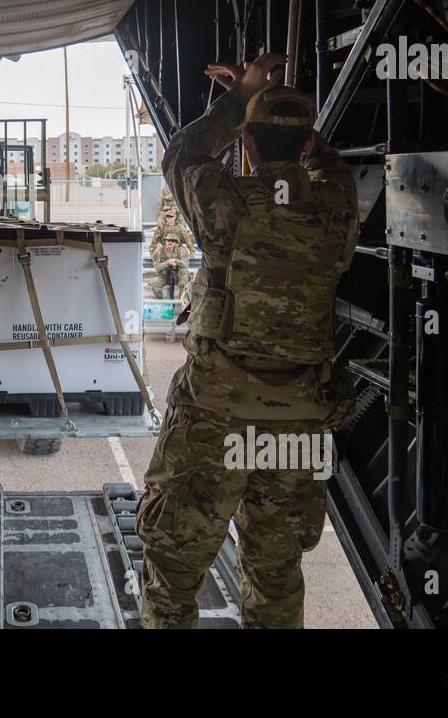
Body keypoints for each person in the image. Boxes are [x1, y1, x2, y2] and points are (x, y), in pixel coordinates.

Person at [137, 54, 359, 629]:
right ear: (308, 143)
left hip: (215, 413)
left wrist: (241, 100)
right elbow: (326, 165)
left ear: (249, 147)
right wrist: (291, 127)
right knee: (276, 573)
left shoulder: (224, 203)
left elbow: (182, 153)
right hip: (298, 421)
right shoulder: (334, 207)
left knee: (173, 579)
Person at [150, 233, 193, 299]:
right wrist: (167, 262)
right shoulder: (158, 251)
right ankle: (160, 302)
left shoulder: (182, 250)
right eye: (168, 240)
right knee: (154, 282)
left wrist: (175, 261)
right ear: (165, 242)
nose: (170, 242)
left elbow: (185, 265)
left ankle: (182, 298)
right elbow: (157, 267)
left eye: (173, 241)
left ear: (176, 243)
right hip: (163, 275)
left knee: (184, 273)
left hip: (177, 275)